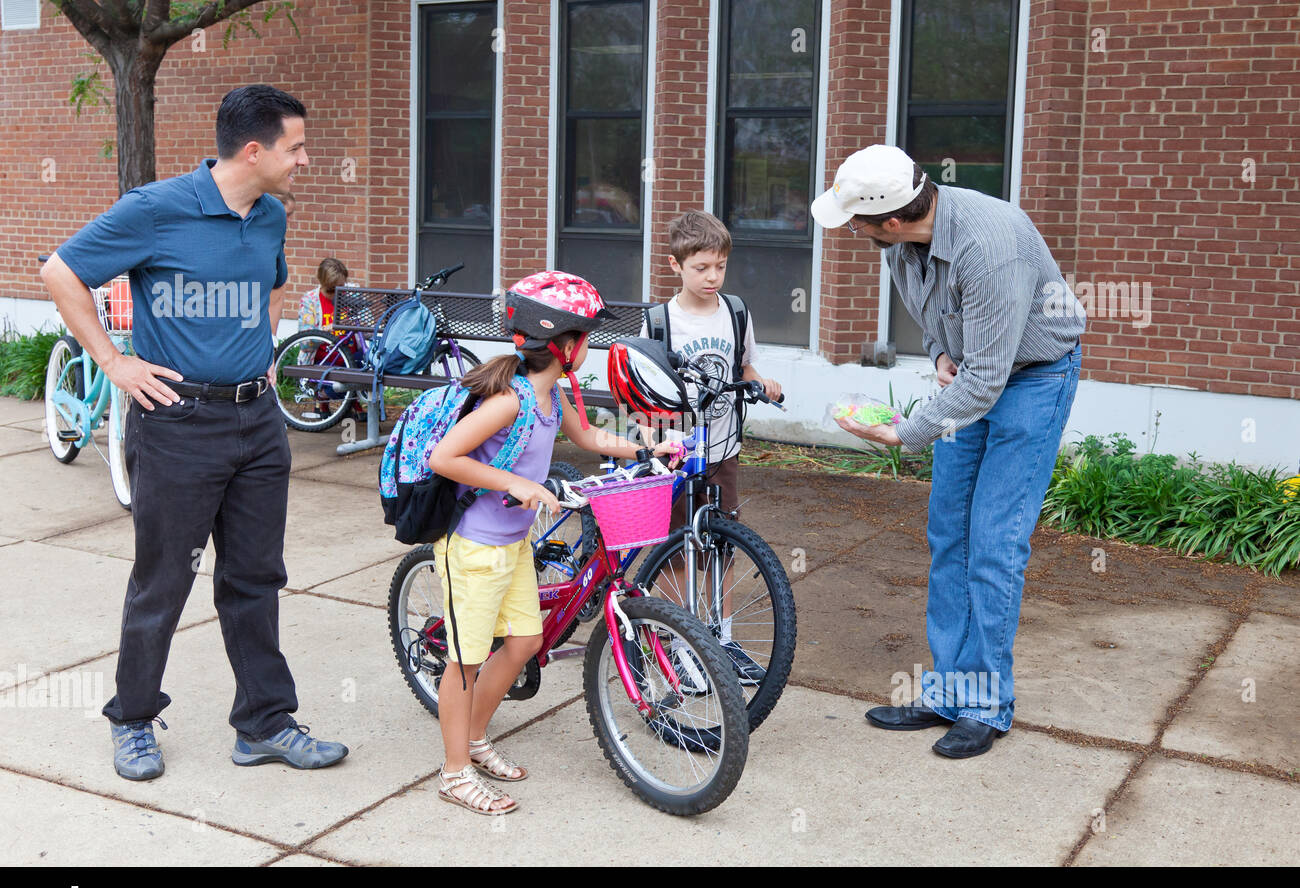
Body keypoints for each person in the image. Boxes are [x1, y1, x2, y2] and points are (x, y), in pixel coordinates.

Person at [40, 84, 348, 781]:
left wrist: (262, 353)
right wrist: (114, 363)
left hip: (256, 423)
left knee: (256, 577)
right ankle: (133, 719)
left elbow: (272, 285)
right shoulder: (156, 210)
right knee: (163, 580)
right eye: (295, 147)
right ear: (252, 150)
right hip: (178, 423)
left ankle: (265, 723)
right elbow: (60, 271)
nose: (304, 159)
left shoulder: (269, 216)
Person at [811, 144, 1086, 759]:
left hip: (1033, 382)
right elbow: (937, 320)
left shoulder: (989, 243)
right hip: (968, 377)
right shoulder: (901, 246)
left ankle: (986, 703)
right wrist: (939, 355)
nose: (851, 230)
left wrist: (906, 434)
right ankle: (948, 690)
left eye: (856, 220)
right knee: (950, 534)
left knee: (994, 542)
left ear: (890, 217)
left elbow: (988, 379)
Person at [427, 270, 679, 815]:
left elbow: (588, 438)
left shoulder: (552, 395)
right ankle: (454, 774)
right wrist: (515, 482)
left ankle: (473, 740)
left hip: (513, 547)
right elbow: (444, 458)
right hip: (474, 550)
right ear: (566, 345)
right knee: (464, 662)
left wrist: (647, 452)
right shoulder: (508, 402)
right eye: (588, 336)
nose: (591, 345)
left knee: (522, 644)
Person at [637, 210, 781, 682]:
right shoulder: (660, 322)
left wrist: (764, 384)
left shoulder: (736, 312)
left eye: (719, 265)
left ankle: (722, 639)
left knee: (721, 546)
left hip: (722, 452)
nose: (712, 276)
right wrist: (650, 440)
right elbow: (639, 388)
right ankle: (677, 638)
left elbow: (747, 367)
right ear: (676, 265)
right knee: (678, 549)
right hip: (677, 457)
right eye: (701, 267)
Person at [297, 257, 348, 330]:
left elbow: (368, 333)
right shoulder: (309, 301)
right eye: (331, 290)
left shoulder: (353, 295)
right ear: (322, 283)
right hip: (324, 341)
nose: (335, 294)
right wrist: (329, 328)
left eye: (340, 289)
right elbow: (305, 338)